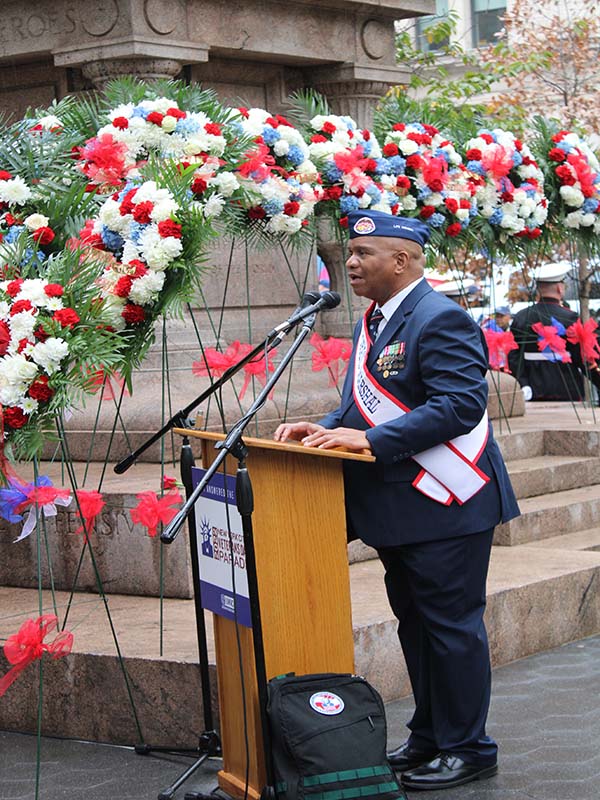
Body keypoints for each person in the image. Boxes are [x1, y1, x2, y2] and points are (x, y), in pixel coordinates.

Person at [274, 209, 520, 791]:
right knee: (417, 624)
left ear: (402, 260)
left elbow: (460, 405)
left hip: (445, 503)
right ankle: (432, 734)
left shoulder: (441, 318)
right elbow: (362, 402)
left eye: (363, 254)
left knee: (451, 628)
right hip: (399, 510)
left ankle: (470, 746)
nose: (350, 264)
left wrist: (371, 438)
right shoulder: (378, 319)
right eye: (350, 254)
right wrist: (326, 424)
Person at [507, 261, 600, 401]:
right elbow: (583, 357)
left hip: (532, 389)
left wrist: (523, 383)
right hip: (567, 389)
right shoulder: (571, 318)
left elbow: (513, 356)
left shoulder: (521, 317)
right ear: (559, 288)